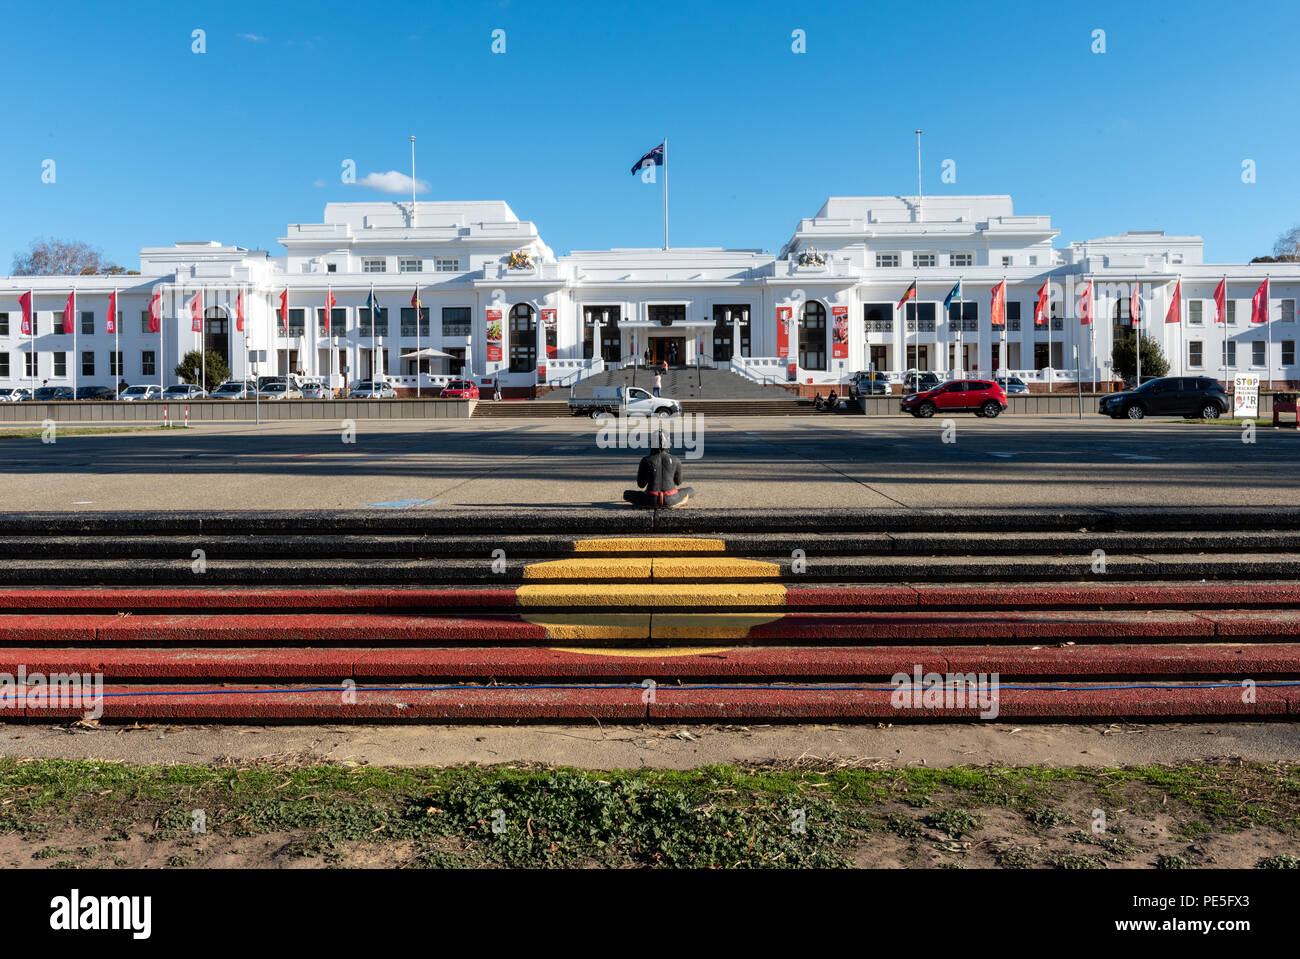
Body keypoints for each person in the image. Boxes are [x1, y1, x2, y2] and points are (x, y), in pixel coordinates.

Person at [624, 432, 693, 509]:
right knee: (690, 490)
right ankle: (675, 503)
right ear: (668, 445)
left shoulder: (646, 460)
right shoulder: (676, 460)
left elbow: (641, 484)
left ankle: (648, 503)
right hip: (671, 498)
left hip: (650, 499)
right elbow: (678, 482)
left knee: (626, 494)